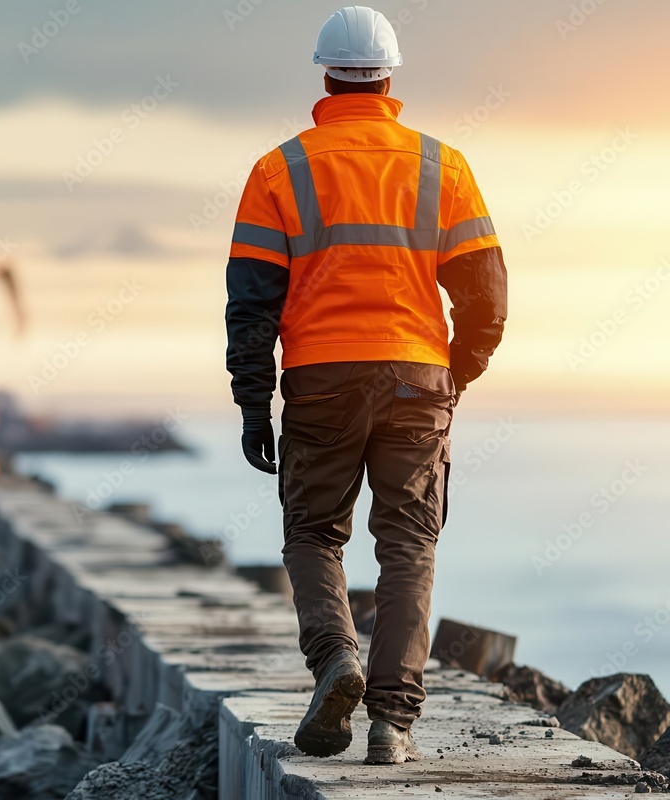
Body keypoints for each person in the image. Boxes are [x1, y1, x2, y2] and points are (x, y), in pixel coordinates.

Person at [224, 5, 508, 764]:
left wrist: (254, 401)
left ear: (325, 75)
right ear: (390, 76)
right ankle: (392, 724)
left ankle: (336, 662)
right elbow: (485, 297)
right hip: (419, 376)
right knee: (409, 543)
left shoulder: (276, 170)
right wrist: (458, 369)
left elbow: (251, 306)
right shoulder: (441, 166)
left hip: (318, 378)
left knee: (314, 534)